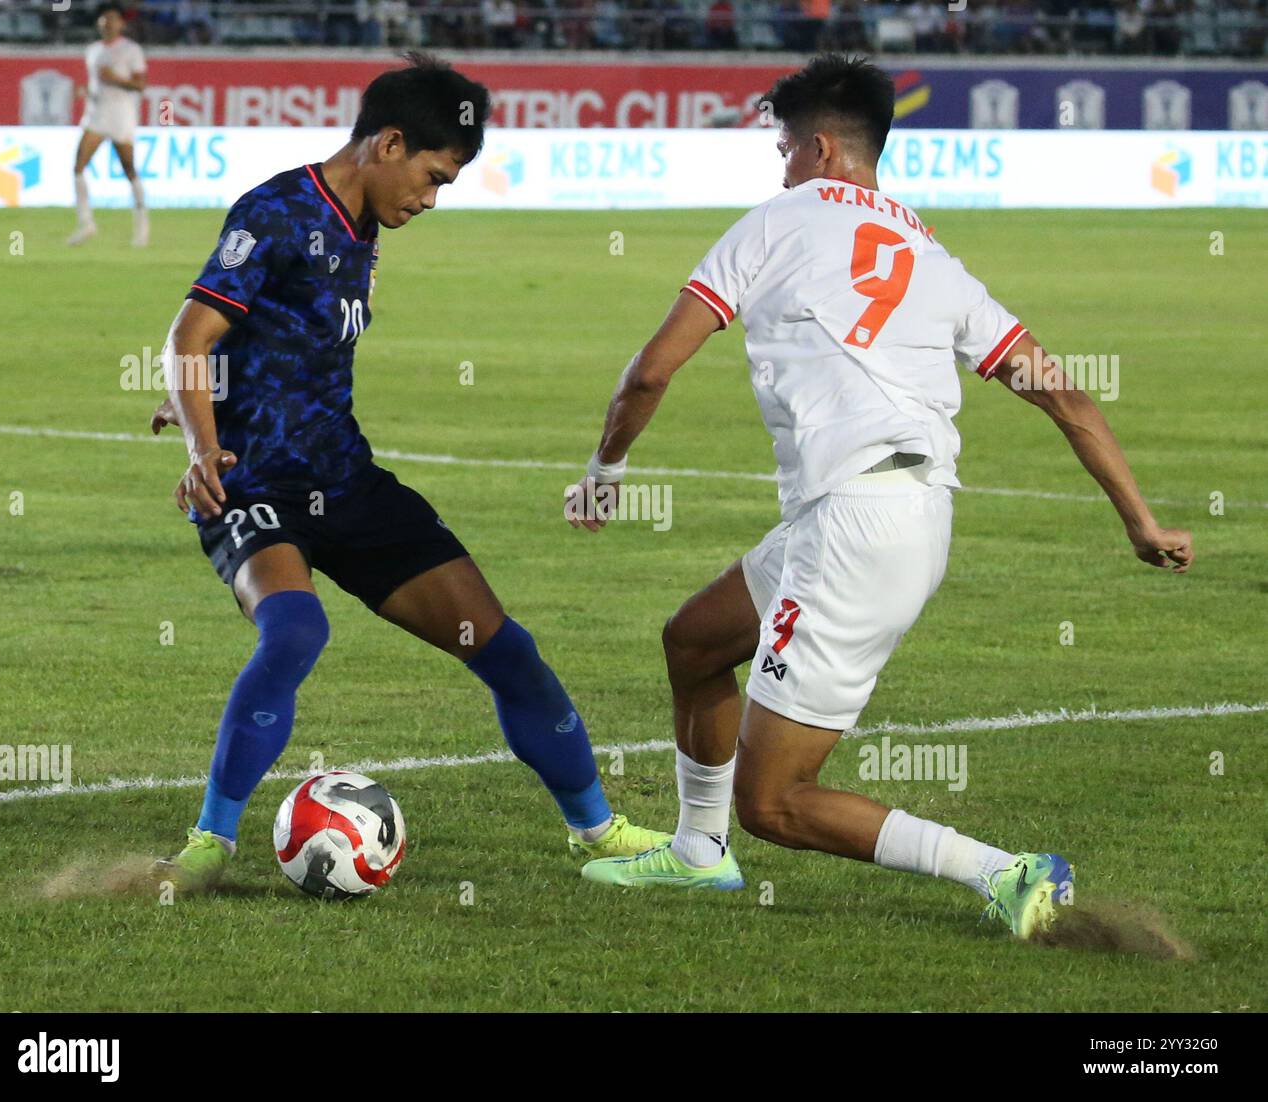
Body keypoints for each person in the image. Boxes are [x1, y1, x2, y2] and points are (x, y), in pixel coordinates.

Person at [570, 54, 1193, 939]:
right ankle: (697, 854)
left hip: (854, 529)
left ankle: (1005, 871)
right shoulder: (934, 259)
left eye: (785, 148)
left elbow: (650, 372)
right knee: (695, 643)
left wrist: (605, 474)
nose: (782, 166)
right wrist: (1142, 522)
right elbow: (1067, 396)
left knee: (775, 801)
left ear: (819, 147)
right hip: (894, 511)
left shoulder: (775, 221)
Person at [150, 55, 668, 892]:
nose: (430, 200)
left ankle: (596, 829)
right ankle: (210, 841)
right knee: (296, 633)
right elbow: (191, 335)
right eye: (432, 178)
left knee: (505, 648)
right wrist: (203, 444)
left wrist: (201, 398)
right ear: (388, 143)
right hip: (250, 484)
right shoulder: (278, 210)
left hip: (346, 480)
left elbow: (271, 347)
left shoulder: (365, 230)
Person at [68, 2, 148, 247]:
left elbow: (140, 85)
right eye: (104, 19)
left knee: (129, 170)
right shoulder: (92, 50)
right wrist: (85, 91)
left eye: (113, 19)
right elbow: (96, 84)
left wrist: (115, 78)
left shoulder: (131, 50)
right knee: (78, 167)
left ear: (121, 23)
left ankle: (142, 228)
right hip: (96, 115)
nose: (108, 24)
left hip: (121, 116)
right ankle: (86, 223)